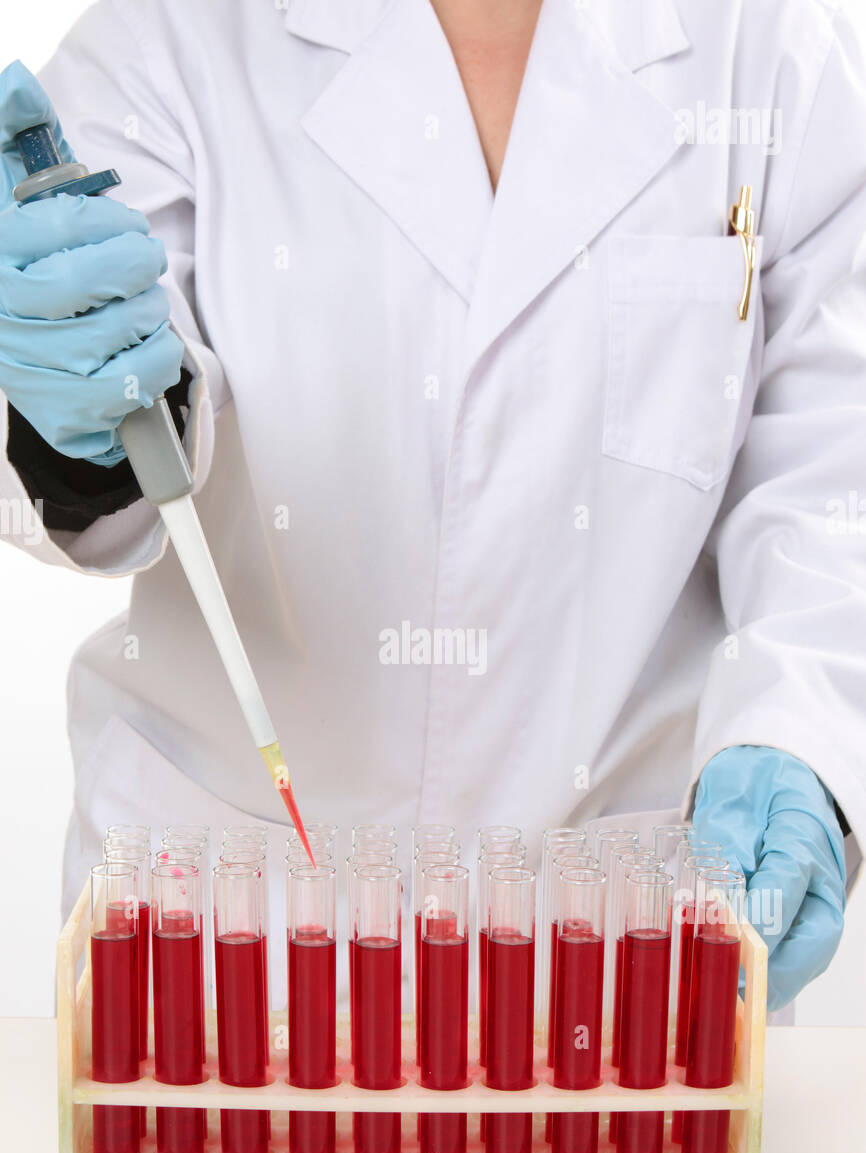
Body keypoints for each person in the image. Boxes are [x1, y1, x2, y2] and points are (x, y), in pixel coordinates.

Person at [0, 0, 862, 1013]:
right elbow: (109, 435)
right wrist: (75, 413)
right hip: (234, 935)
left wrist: (801, 731)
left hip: (614, 944)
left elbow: (833, 477)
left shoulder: (775, 58)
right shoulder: (169, 37)